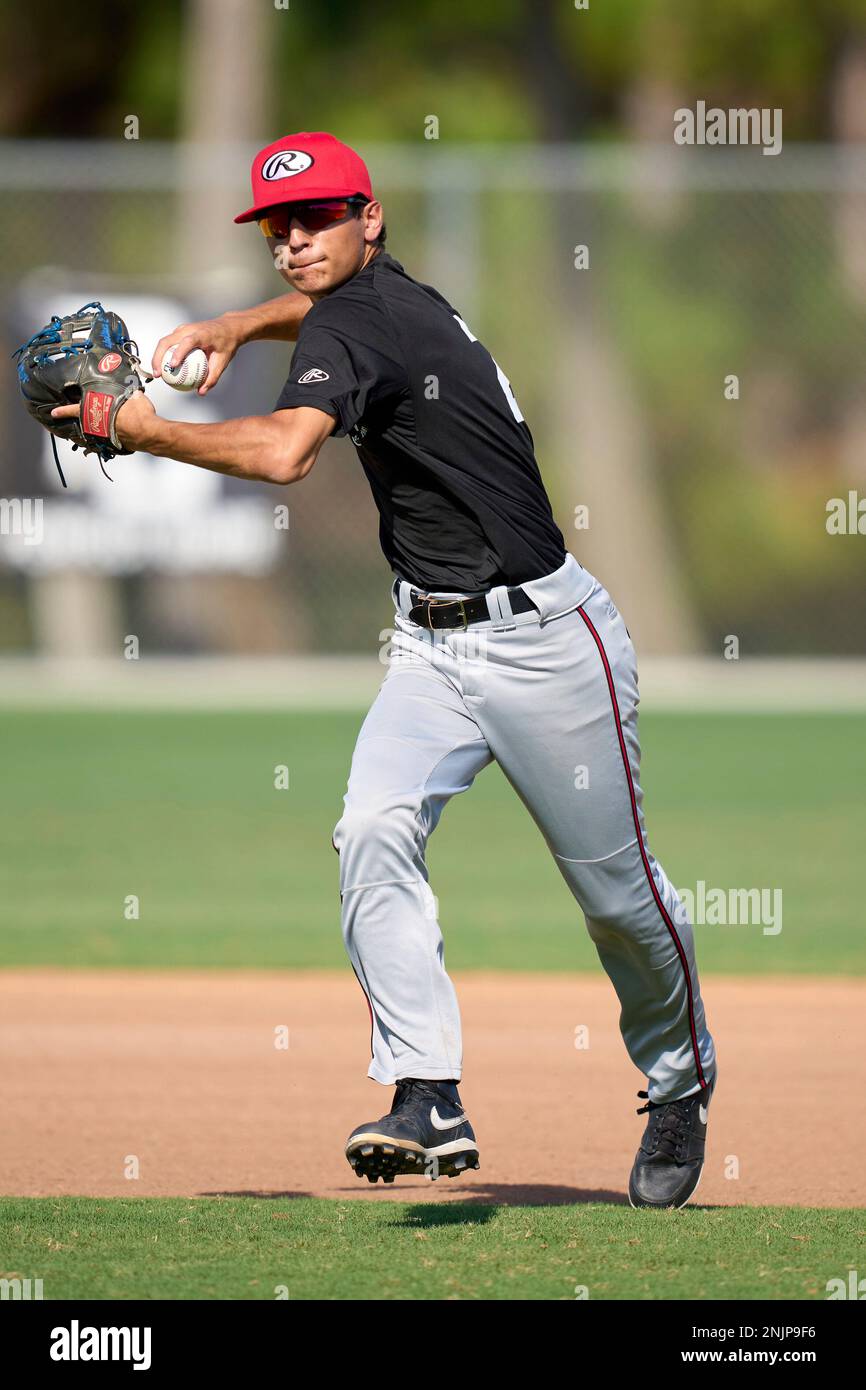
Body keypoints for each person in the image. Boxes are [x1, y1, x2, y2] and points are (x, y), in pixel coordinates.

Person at [52, 131, 717, 1208]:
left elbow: (281, 454)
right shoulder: (380, 302)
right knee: (370, 826)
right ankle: (426, 1091)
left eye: (317, 215)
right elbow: (318, 318)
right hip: (429, 647)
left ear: (371, 216)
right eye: (278, 223)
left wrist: (136, 427)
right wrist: (230, 323)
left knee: (615, 897)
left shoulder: (371, 314)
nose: (294, 239)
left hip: (549, 642)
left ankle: (679, 1084)